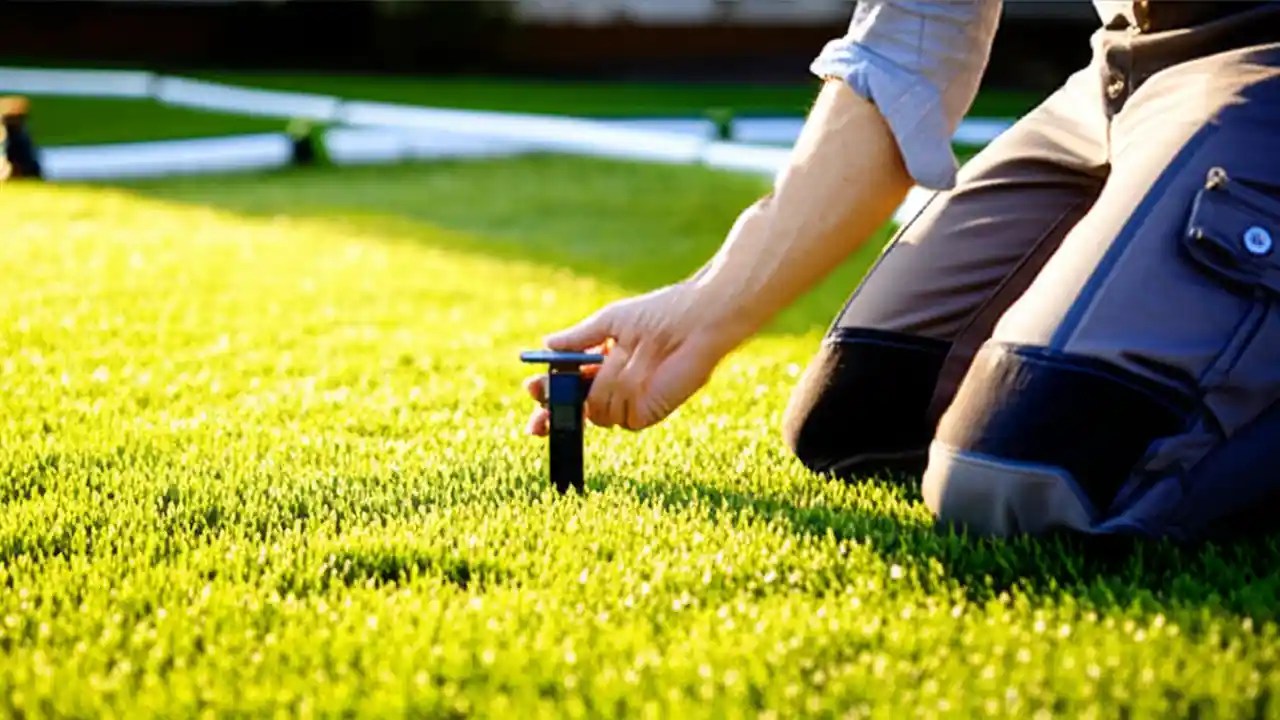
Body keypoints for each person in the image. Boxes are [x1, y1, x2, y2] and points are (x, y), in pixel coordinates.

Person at [522, 1, 1280, 543]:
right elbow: (906, 47)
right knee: (856, 423)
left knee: (1026, 483)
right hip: (1122, 65)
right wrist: (705, 307)